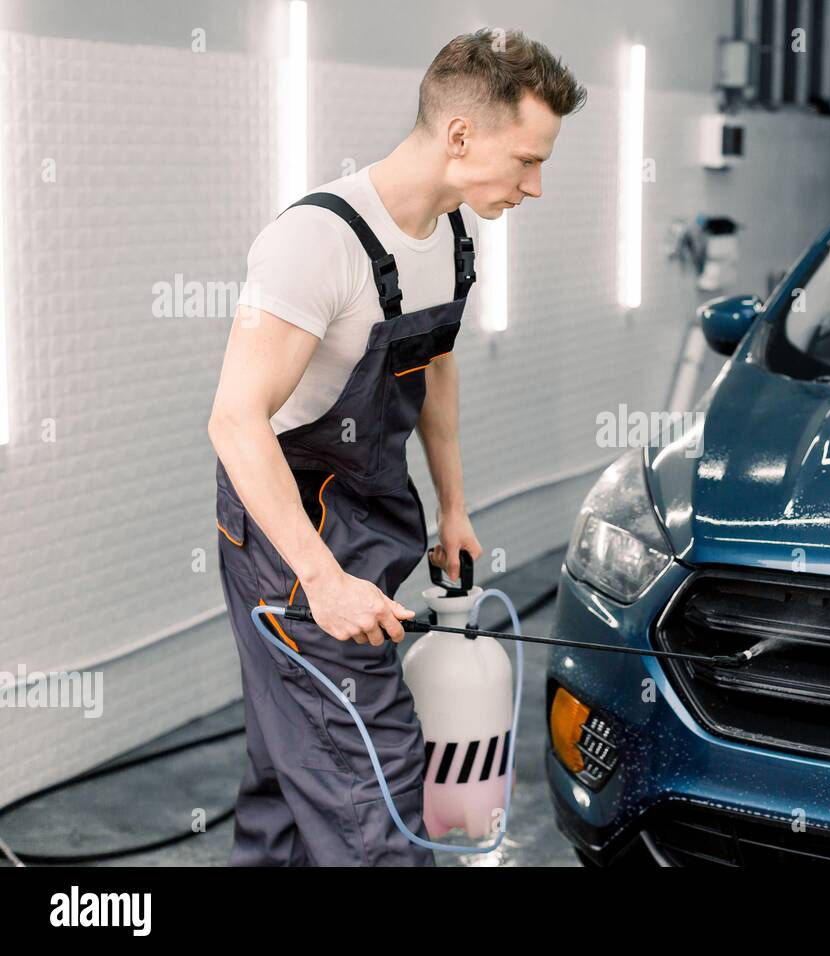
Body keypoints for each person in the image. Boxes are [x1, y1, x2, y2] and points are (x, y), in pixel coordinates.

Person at [206, 28, 586, 866]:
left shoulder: (451, 238)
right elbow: (235, 421)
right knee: (370, 776)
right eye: (526, 159)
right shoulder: (318, 241)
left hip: (369, 519)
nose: (535, 185)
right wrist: (320, 578)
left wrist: (452, 506)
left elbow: (435, 370)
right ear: (461, 136)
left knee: (288, 762)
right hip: (290, 534)